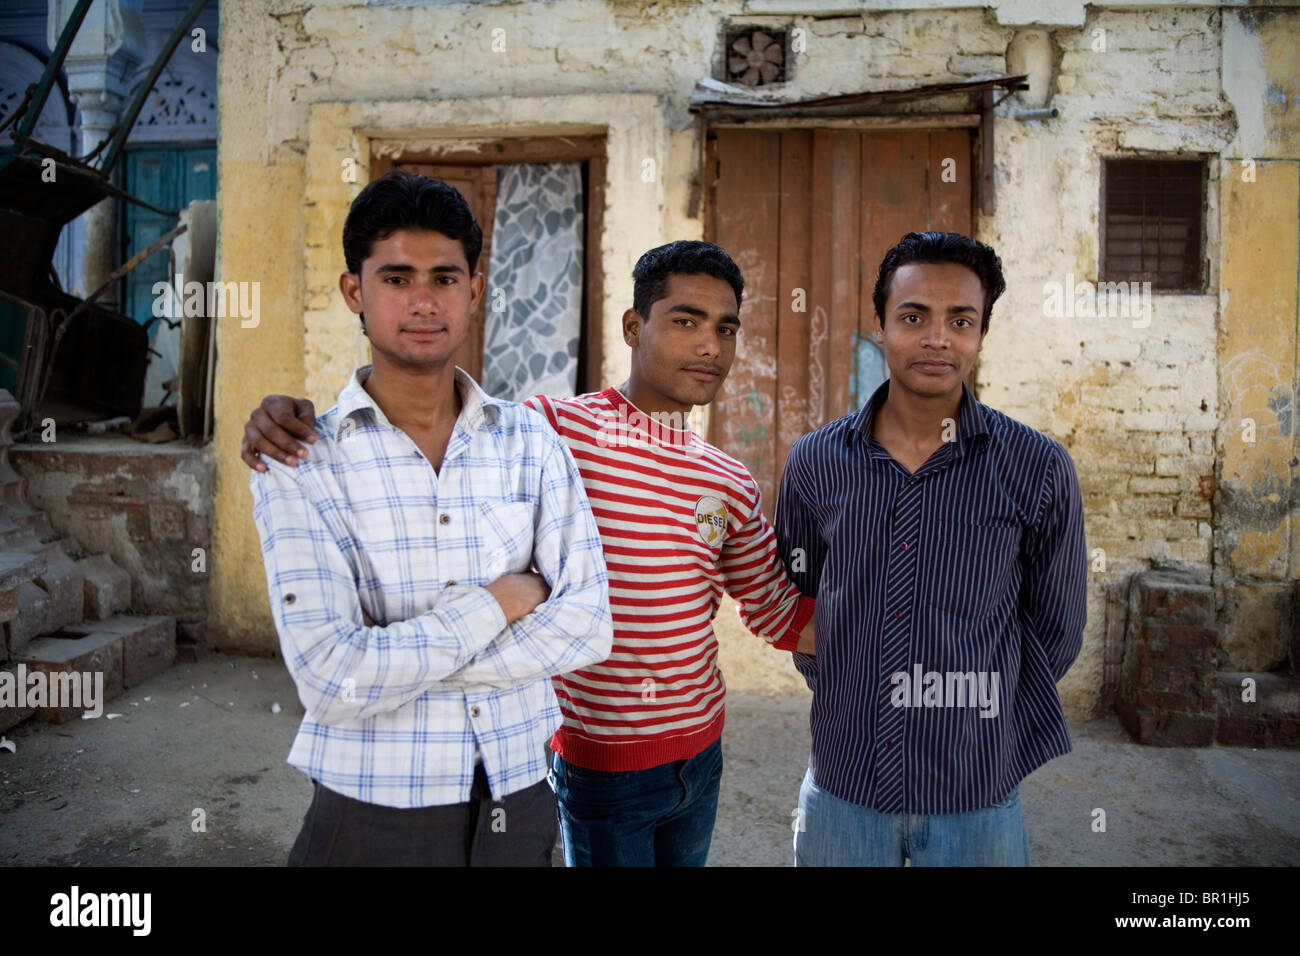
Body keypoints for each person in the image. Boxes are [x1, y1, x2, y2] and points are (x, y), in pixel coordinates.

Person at [243, 238, 816, 867]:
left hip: (703, 756)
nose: (709, 345)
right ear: (634, 326)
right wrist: (283, 415)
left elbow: (773, 608)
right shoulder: (548, 430)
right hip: (600, 762)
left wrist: (897, 634)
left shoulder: (727, 479)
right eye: (685, 321)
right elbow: (430, 409)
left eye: (725, 328)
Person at [249, 170, 613, 866]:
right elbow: (330, 681)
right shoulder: (299, 460)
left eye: (445, 278)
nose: (423, 300)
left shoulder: (529, 442)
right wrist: (498, 603)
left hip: (521, 798)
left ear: (474, 291)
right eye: (396, 277)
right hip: (373, 812)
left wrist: (395, 662)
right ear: (355, 291)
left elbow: (588, 625)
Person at [774, 231, 1086, 867]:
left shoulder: (1037, 467)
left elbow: (1057, 627)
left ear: (981, 333)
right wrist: (849, 687)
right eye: (914, 317)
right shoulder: (817, 462)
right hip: (844, 787)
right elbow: (799, 601)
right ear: (880, 325)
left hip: (975, 794)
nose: (936, 339)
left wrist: (979, 718)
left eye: (960, 320)